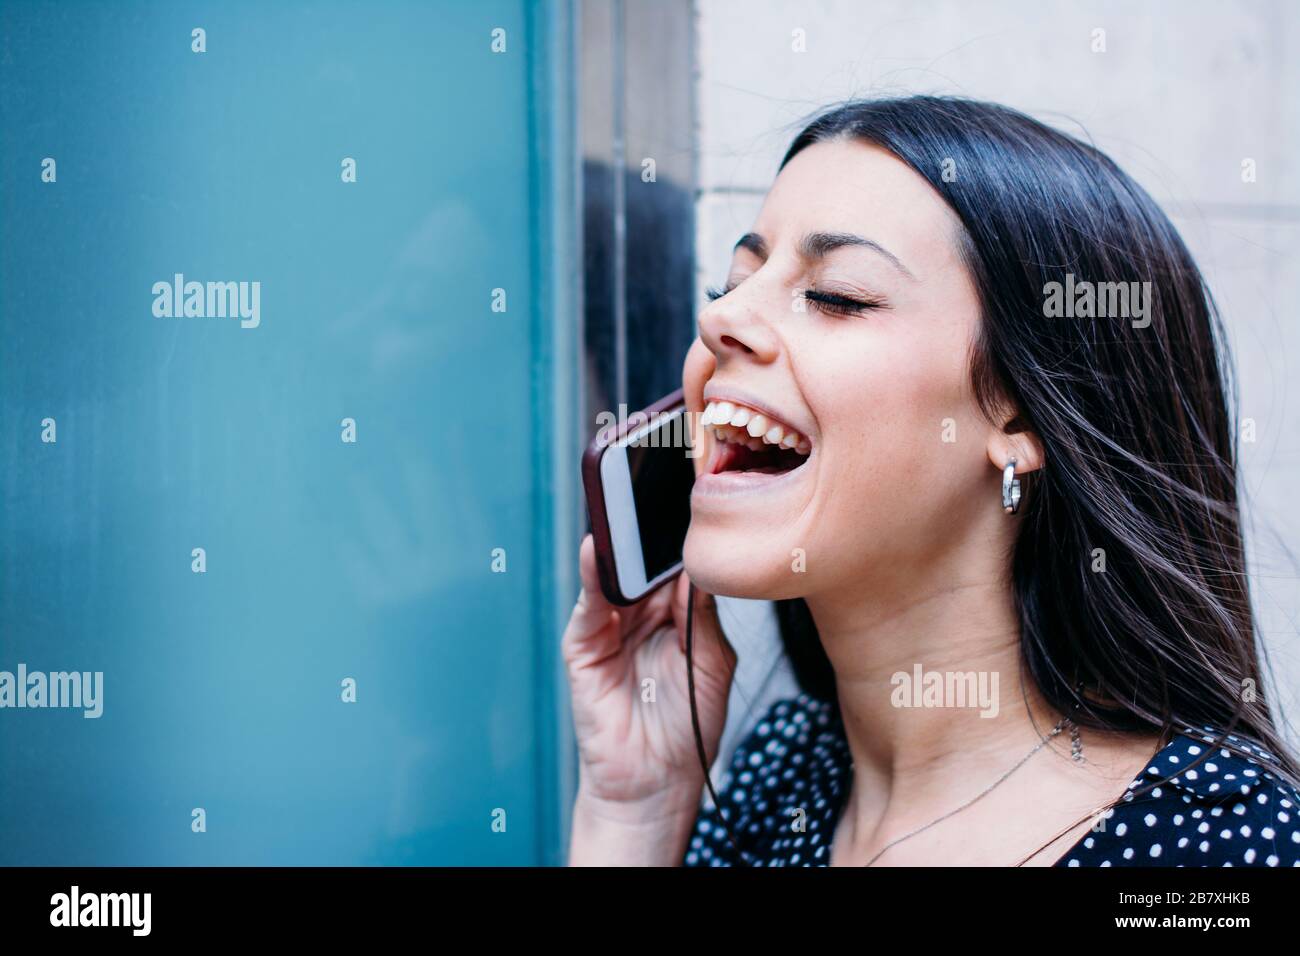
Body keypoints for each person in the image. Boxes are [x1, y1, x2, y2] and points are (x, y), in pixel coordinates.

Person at [563, 95, 1300, 867]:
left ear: (1020, 422)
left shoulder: (1214, 850)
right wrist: (636, 813)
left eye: (836, 296)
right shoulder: (777, 781)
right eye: (730, 287)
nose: (721, 322)